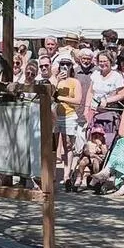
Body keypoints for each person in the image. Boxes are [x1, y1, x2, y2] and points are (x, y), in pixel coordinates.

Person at [54, 58, 83, 188]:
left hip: (69, 115)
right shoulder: (55, 79)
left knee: (68, 144)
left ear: (71, 66)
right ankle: (53, 173)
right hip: (55, 115)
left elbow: (78, 100)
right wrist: (57, 80)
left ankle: (66, 174)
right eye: (62, 64)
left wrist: (60, 98)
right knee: (54, 145)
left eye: (67, 64)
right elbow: (49, 94)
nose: (64, 66)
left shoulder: (75, 82)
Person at [83, 52, 124, 128]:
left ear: (110, 61)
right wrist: (86, 109)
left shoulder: (117, 76)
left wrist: (107, 100)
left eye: (105, 61)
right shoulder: (96, 74)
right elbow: (90, 92)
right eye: (100, 61)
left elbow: (122, 94)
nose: (102, 63)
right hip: (94, 111)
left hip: (109, 113)